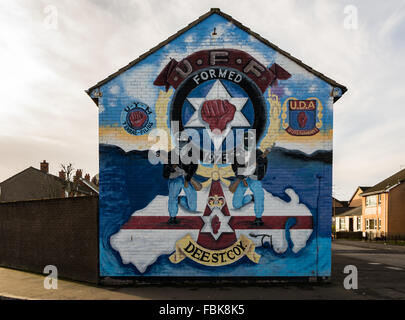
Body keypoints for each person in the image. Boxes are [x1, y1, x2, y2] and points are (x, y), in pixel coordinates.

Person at [231, 133, 268, 226]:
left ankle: (258, 217)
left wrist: (259, 165)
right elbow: (234, 167)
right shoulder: (237, 153)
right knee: (236, 204)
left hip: (254, 178)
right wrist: (241, 177)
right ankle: (251, 198)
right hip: (242, 178)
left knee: (259, 194)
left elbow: (264, 168)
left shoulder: (259, 153)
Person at [163, 149, 198, 225]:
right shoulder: (171, 154)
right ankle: (172, 217)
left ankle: (180, 200)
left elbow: (194, 167)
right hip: (175, 178)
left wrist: (187, 177)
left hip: (187, 178)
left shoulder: (192, 155)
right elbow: (165, 173)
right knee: (173, 196)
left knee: (193, 207)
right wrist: (173, 169)